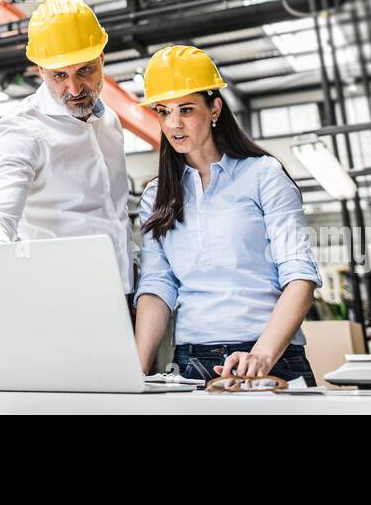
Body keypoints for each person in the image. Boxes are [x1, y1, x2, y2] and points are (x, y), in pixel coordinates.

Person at [133, 45, 322, 383]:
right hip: (192, 362)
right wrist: (134, 371)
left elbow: (299, 275)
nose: (173, 124)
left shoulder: (263, 174)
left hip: (271, 357)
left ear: (215, 108)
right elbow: (157, 286)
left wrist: (262, 355)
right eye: (163, 111)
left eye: (186, 109)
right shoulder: (156, 195)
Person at [0, 0, 133, 293]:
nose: (74, 88)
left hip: (121, 292)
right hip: (60, 294)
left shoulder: (110, 123)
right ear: (41, 71)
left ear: (101, 59)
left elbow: (116, 215)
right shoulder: (22, 130)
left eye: (84, 70)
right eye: (60, 75)